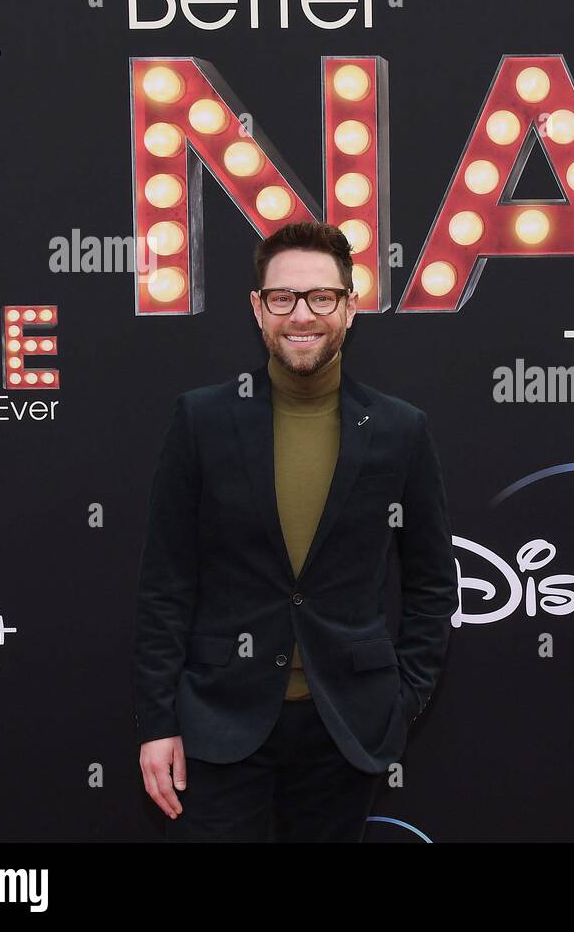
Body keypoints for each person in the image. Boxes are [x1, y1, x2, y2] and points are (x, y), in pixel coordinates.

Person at [133, 221, 458, 841]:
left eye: (321, 297)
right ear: (258, 309)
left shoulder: (399, 430)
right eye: (282, 297)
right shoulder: (201, 419)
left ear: (350, 306)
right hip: (219, 721)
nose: (301, 314)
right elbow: (165, 583)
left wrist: (402, 702)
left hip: (345, 726)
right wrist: (156, 722)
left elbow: (433, 583)